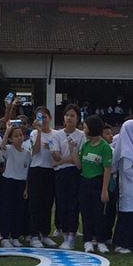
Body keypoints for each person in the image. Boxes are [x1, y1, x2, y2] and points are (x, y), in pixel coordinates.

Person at [77, 115, 112, 253]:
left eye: (85, 127)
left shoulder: (105, 147)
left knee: (99, 213)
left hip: (98, 182)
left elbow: (107, 170)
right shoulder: (85, 145)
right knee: (86, 212)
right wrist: (73, 150)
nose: (83, 130)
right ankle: (88, 240)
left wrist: (104, 190)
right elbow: (79, 166)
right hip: (85, 182)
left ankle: (101, 240)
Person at [52, 104, 85, 249]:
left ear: (77, 118)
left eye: (72, 115)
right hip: (60, 173)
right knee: (61, 203)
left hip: (75, 173)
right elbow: (55, 156)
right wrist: (70, 156)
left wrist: (67, 158)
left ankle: (71, 235)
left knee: (73, 204)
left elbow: (79, 159)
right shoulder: (56, 135)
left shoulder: (82, 136)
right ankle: (64, 233)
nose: (69, 118)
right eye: (67, 115)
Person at [112, 118, 133, 253]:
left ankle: (131, 241)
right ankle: (120, 243)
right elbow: (127, 169)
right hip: (127, 187)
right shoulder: (126, 150)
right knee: (127, 215)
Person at [0, 120, 31, 247]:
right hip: (8, 182)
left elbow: (27, 172)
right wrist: (7, 130)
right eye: (16, 136)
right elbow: (2, 146)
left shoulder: (27, 153)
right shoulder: (9, 149)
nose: (19, 138)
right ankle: (5, 236)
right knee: (7, 209)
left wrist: (26, 189)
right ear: (11, 139)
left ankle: (16, 236)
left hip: (21, 183)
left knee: (19, 210)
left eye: (21, 135)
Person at [28, 107, 58, 248]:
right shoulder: (34, 133)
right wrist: (39, 132)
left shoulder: (56, 134)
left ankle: (45, 233)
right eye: (39, 117)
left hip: (50, 171)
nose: (43, 120)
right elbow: (35, 150)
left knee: (48, 203)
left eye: (45, 117)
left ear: (50, 117)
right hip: (36, 170)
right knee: (36, 203)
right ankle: (34, 235)